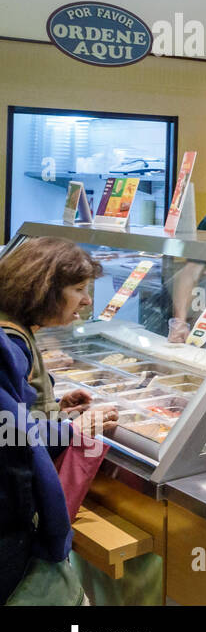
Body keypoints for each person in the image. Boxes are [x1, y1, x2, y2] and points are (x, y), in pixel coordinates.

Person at [0, 238, 118, 604]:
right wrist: (72, 429)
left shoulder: (15, 328)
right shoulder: (8, 341)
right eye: (79, 289)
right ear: (44, 290)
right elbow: (11, 434)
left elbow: (18, 409)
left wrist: (54, 408)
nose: (86, 301)